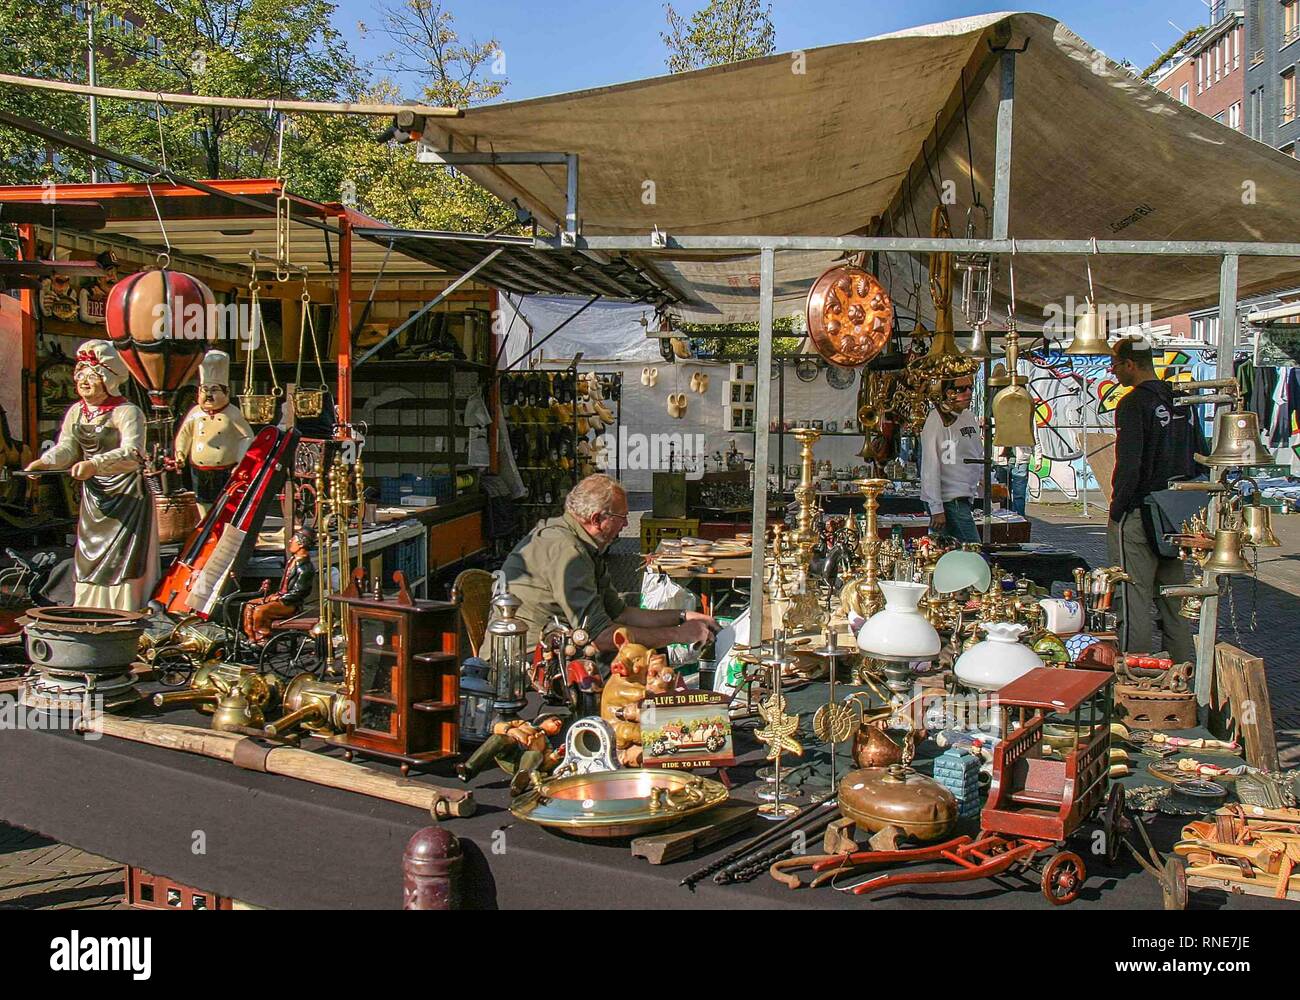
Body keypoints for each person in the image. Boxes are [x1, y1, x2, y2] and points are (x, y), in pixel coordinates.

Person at [501, 474, 719, 656]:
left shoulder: (584, 545)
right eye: (621, 516)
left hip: (552, 648)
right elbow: (601, 637)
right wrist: (678, 634)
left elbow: (620, 614)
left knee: (649, 654)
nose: (626, 523)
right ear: (597, 519)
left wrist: (682, 616)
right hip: (528, 658)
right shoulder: (568, 551)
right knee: (642, 659)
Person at [25, 341, 157, 610]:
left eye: (92, 375)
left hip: (127, 495)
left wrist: (95, 464)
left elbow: (134, 453)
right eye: (81, 374)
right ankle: (89, 603)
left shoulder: (128, 412)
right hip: (96, 494)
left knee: (124, 555)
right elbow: (67, 447)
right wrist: (45, 463)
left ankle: (124, 605)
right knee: (89, 553)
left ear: (107, 379)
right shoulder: (77, 411)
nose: (84, 381)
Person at [1107, 336, 1197, 665]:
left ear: (1130, 364)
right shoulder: (1181, 399)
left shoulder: (1132, 404)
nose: (1114, 372)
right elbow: (1197, 455)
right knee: (1175, 602)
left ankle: (1136, 676)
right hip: (1176, 510)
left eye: (1115, 366)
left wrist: (1118, 509)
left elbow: (1129, 463)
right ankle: (1184, 671)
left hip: (1141, 510)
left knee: (1132, 597)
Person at [173, 350, 254, 512]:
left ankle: (221, 530)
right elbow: (185, 435)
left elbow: (247, 437)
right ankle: (205, 530)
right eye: (204, 389)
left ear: (226, 392)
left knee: (225, 503)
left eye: (214, 390)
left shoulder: (232, 413)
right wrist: (180, 453)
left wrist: (240, 461)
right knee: (201, 502)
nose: (208, 395)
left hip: (224, 469)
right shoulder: (195, 413)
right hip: (199, 469)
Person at [919, 373, 983, 543]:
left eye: (970, 388)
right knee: (973, 552)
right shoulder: (936, 419)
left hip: (963, 497)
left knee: (950, 553)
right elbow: (930, 466)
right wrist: (936, 507)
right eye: (961, 389)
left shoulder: (969, 416)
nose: (968, 393)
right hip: (949, 500)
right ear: (947, 392)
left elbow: (975, 452)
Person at [242, 527, 317, 643]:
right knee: (249, 605)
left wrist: (280, 598)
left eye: (294, 539)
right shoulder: (292, 560)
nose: (290, 541)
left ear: (301, 544)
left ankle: (262, 639)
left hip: (290, 604)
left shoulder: (305, 568)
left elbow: (299, 592)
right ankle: (251, 638)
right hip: (280, 598)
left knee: (259, 611)